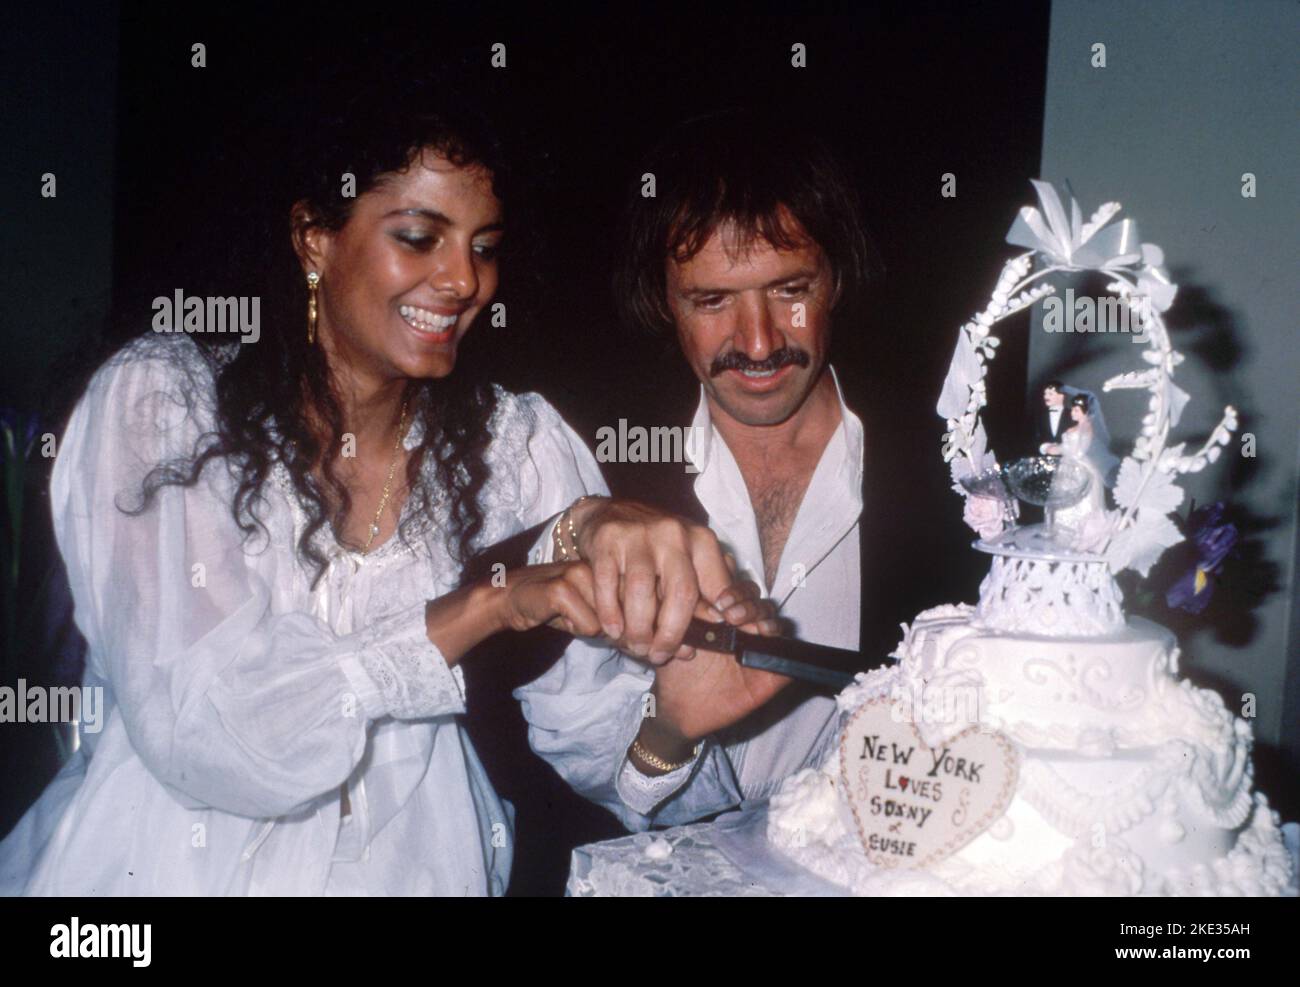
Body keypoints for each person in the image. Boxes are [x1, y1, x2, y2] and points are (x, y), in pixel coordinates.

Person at [0, 86, 779, 896]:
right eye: (419, 237)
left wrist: (673, 724)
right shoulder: (167, 408)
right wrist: (488, 605)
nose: (462, 280)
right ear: (313, 237)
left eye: (484, 246)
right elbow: (208, 732)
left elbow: (603, 754)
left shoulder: (514, 450)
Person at [507, 109, 885, 829]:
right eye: (712, 300)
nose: (759, 341)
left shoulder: (954, 454)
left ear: (837, 277)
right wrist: (671, 732)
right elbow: (584, 774)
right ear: (663, 301)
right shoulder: (592, 459)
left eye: (790, 289)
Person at [1042, 394, 1107, 538]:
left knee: (1077, 499)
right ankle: (1063, 532)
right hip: (1068, 464)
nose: (1072, 413)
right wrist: (1056, 447)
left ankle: (1077, 533)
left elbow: (1077, 450)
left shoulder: (1086, 428)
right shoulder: (1077, 427)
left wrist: (1057, 449)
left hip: (1076, 466)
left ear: (1086, 412)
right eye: (1072, 410)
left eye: (1076, 410)